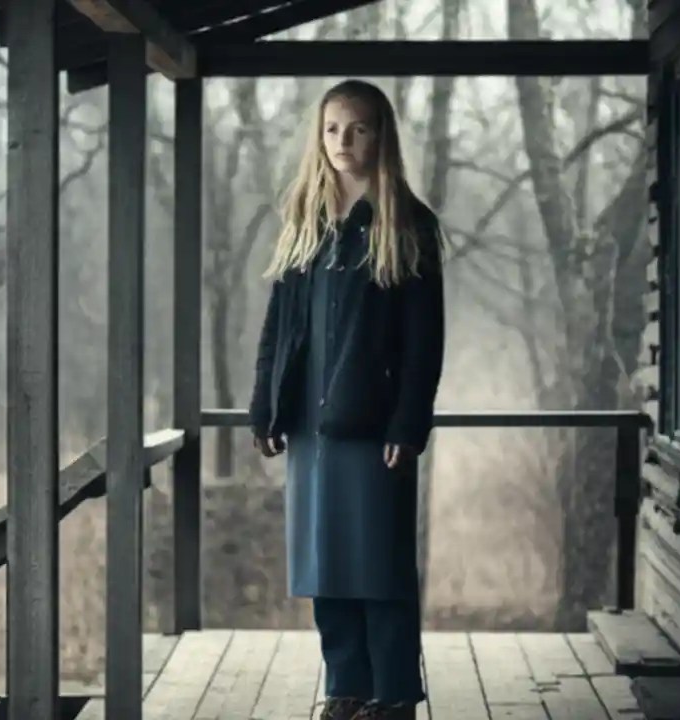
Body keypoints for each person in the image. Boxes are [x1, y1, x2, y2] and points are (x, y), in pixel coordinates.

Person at [248, 78, 446, 720]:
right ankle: (346, 687)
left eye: (358, 128)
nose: (343, 141)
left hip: (374, 424)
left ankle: (393, 694)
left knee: (379, 564)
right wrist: (265, 406)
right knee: (325, 562)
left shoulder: (408, 223)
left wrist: (408, 424)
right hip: (309, 425)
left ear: (380, 135)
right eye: (333, 129)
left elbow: (424, 342)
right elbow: (278, 328)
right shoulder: (305, 221)